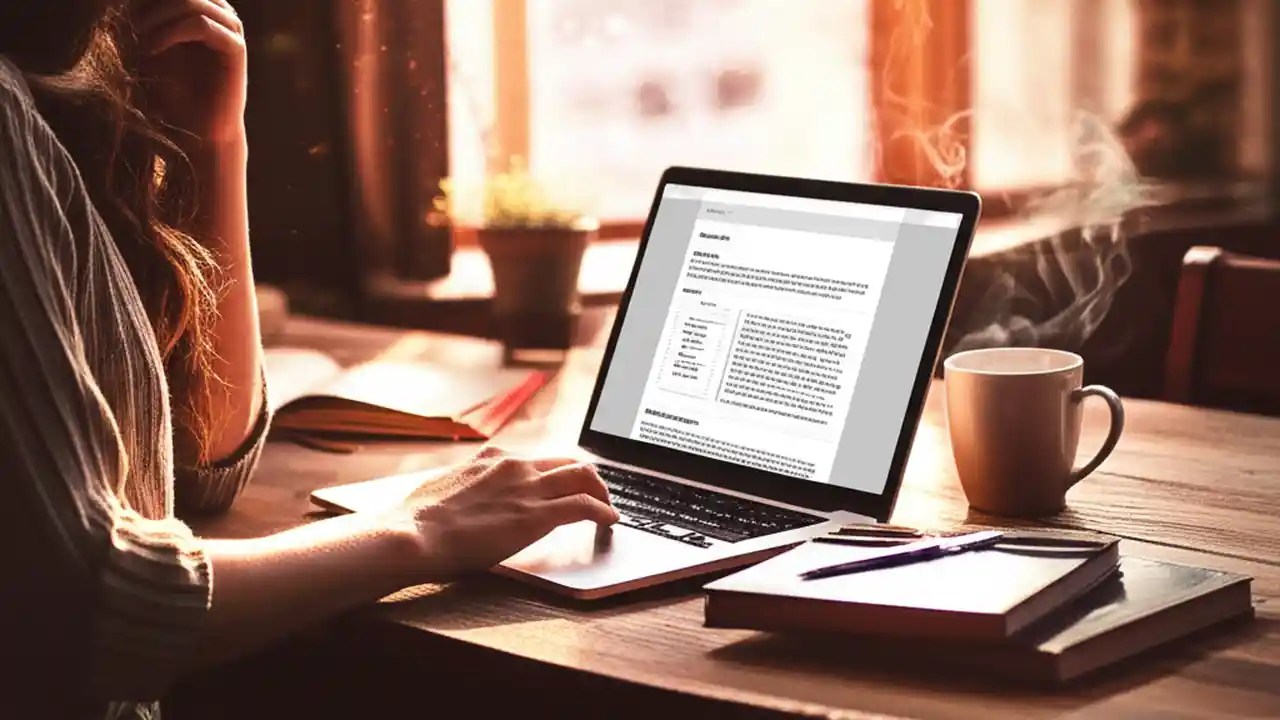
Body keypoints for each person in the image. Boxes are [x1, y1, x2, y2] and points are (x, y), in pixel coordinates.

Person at [0, 2, 618, 717]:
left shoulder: (41, 94)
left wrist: (213, 143)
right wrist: (420, 527)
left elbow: (197, 469)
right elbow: (93, 609)